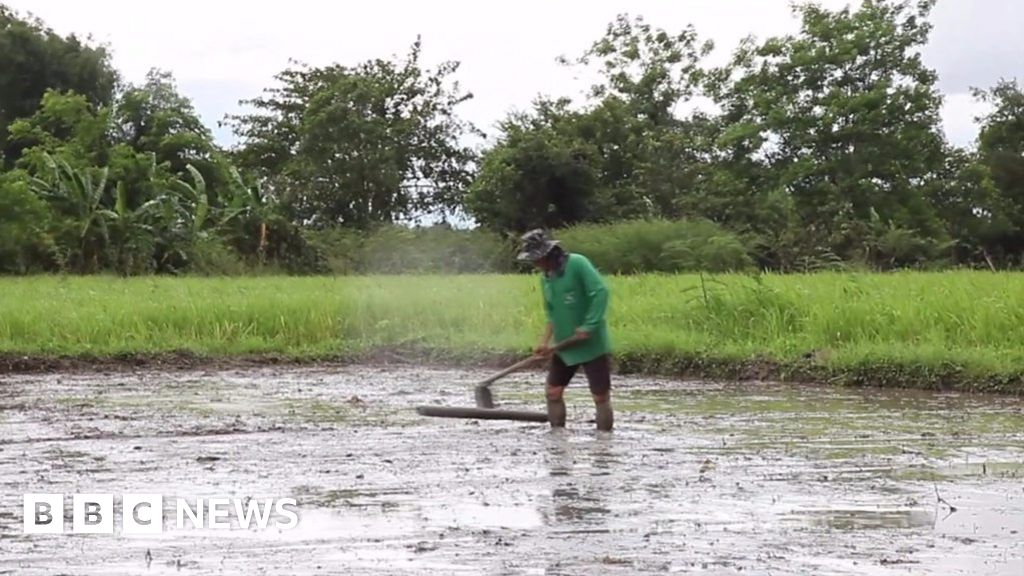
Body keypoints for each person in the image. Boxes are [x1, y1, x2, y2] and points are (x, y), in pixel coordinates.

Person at [516, 229, 614, 432]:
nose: (535, 265)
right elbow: (552, 313)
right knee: (553, 392)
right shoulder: (546, 278)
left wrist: (589, 325)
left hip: (590, 343)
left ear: (549, 254)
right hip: (564, 344)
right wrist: (544, 342)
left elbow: (600, 292)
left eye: (537, 259)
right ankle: (557, 437)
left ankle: (604, 442)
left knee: (600, 396)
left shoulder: (577, 263)